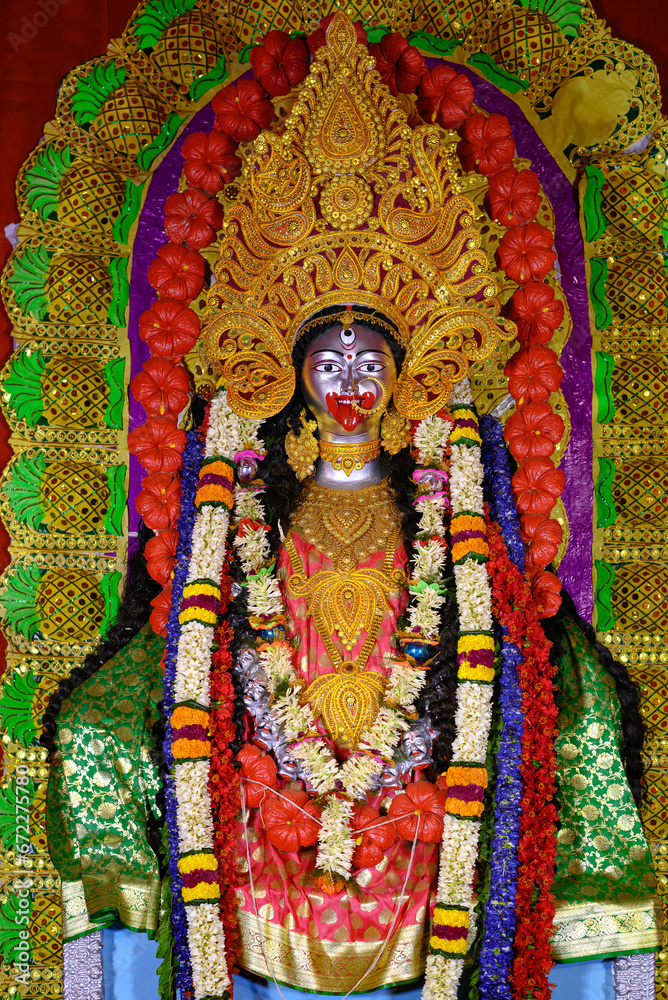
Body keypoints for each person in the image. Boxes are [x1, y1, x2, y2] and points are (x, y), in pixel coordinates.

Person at [42, 13, 658, 998]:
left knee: (581, 733)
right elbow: (210, 629)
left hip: (420, 776)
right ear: (286, 371)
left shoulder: (456, 475)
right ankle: (94, 982)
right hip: (261, 778)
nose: (348, 380)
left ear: (406, 368)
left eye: (370, 358)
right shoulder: (238, 488)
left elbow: (491, 601)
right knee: (91, 729)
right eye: (326, 359)